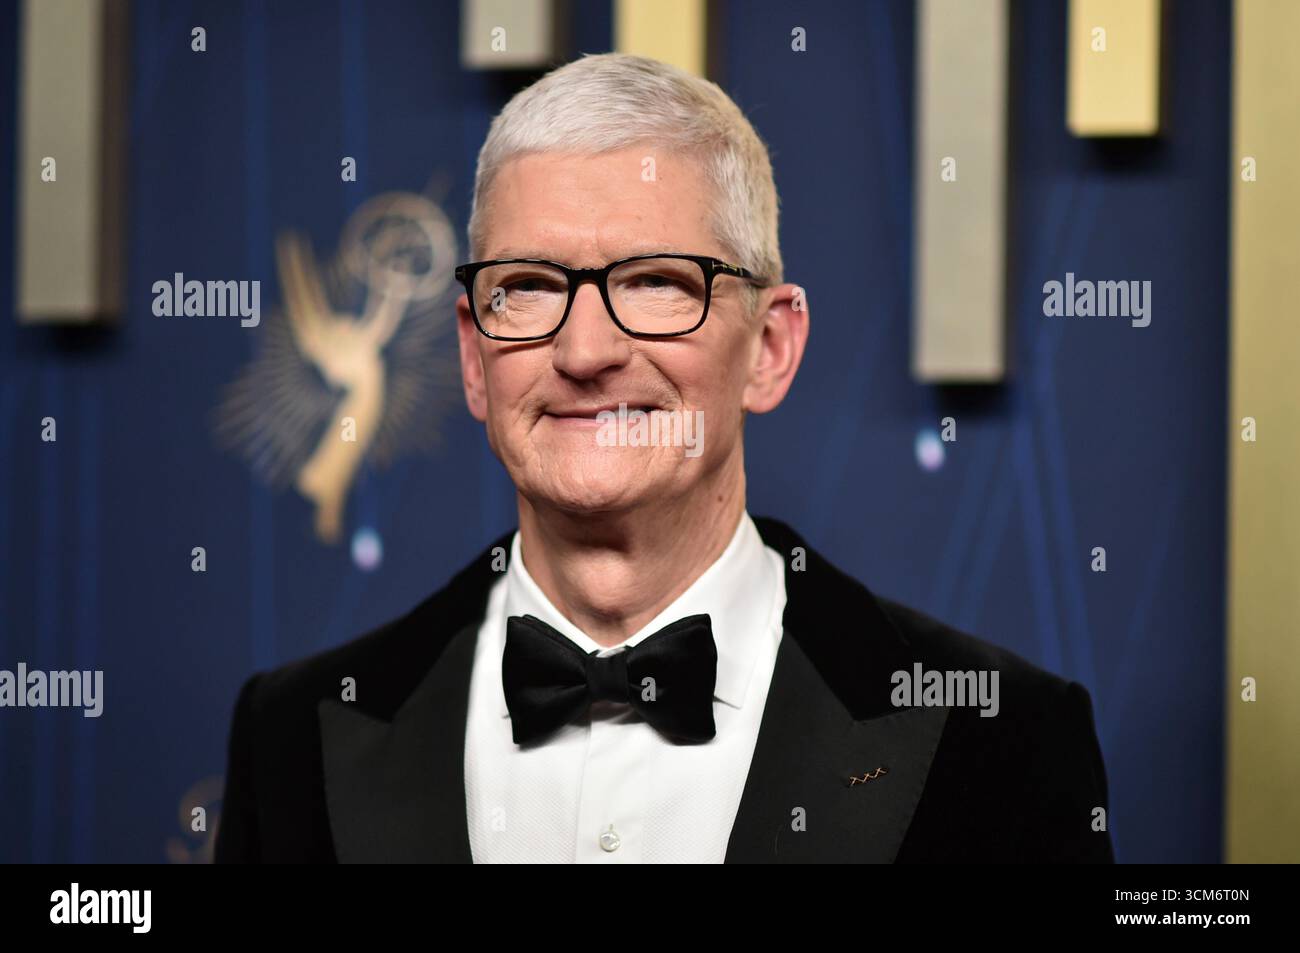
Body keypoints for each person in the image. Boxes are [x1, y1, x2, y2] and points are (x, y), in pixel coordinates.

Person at [214, 52, 1113, 863]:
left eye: (655, 283)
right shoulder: (292, 736)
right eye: (528, 288)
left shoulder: (1004, 738)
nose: (586, 351)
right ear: (472, 356)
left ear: (769, 347)